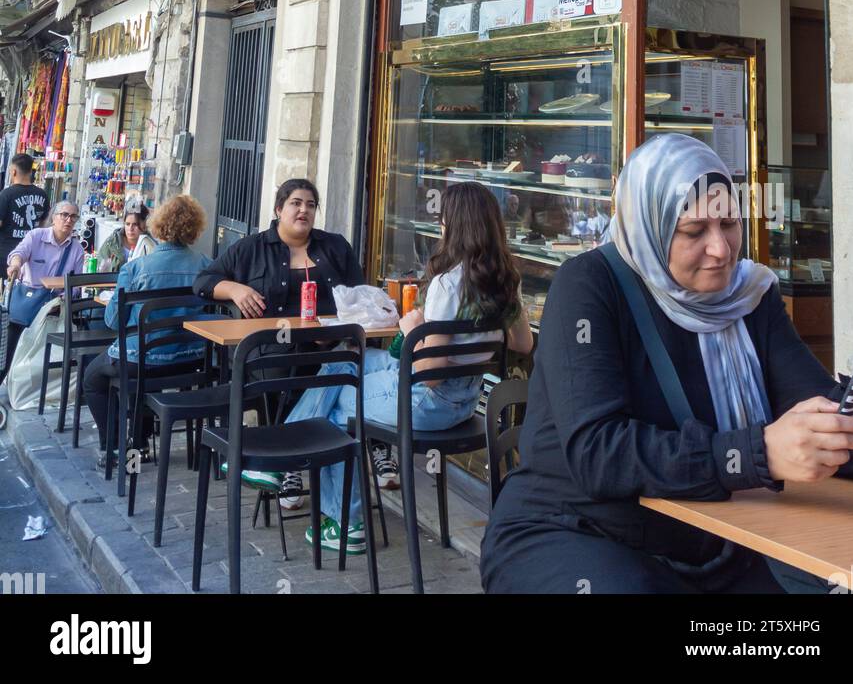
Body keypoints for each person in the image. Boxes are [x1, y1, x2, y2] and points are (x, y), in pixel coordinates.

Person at [480, 134, 853, 595]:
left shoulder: (750, 295)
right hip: (574, 531)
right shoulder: (588, 286)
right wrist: (757, 453)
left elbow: (819, 410)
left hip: (717, 541)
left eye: (729, 223)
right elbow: (599, 454)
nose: (722, 249)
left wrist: (850, 424)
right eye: (693, 232)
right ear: (650, 224)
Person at [276, 181, 534, 556]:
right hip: (469, 401)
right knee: (347, 359)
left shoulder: (449, 284)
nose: (440, 224)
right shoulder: (504, 281)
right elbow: (523, 344)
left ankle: (346, 523)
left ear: (455, 225)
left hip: (432, 404)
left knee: (339, 402)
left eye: (443, 218)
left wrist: (414, 331)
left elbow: (432, 369)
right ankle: (292, 440)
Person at [193, 178, 400, 502]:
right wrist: (235, 289)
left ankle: (369, 447)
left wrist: (334, 329)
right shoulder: (251, 249)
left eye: (311, 205)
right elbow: (203, 282)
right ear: (279, 210)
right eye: (296, 203)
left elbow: (361, 298)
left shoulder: (334, 247)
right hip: (272, 350)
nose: (304, 210)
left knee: (358, 368)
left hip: (330, 344)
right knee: (286, 375)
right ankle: (290, 462)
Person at [83, 194, 210, 467]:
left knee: (93, 378)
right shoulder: (205, 265)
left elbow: (113, 322)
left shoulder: (136, 268)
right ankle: (138, 445)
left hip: (141, 362)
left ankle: (116, 449)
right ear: (195, 228)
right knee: (136, 372)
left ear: (158, 226)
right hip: (190, 361)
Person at [3, 201, 84, 377]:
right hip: (26, 305)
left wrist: (61, 300)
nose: (68, 220)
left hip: (52, 309)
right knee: (8, 353)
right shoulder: (36, 236)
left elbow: (76, 286)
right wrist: (15, 266)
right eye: (64, 215)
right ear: (53, 217)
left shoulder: (77, 249)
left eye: (73, 216)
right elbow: (18, 254)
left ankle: (26, 389)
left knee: (39, 361)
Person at [0, 153, 49, 278]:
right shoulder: (42, 194)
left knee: (6, 292)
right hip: (32, 253)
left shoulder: (6, 195)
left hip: (6, 254)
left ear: (14, 171)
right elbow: (45, 224)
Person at [95, 198, 151, 272]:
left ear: (144, 224)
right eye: (127, 224)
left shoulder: (150, 245)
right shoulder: (112, 243)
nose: (130, 228)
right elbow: (99, 269)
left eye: (135, 224)